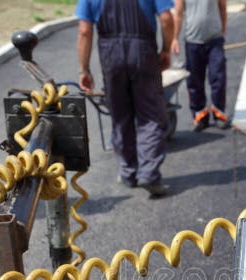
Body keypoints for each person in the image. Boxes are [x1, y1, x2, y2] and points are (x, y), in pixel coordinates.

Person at [76, 0, 175, 197]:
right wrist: (165, 50)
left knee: (120, 116)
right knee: (151, 116)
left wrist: (84, 69)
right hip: (144, 52)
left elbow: (85, 31)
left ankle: (129, 172)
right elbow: (166, 18)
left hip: (111, 55)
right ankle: (149, 174)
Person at [171, 0, 229, 131]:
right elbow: (178, 13)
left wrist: (222, 33)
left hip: (215, 39)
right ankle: (200, 115)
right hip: (193, 41)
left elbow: (223, 8)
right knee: (194, 81)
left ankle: (218, 113)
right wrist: (174, 38)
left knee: (218, 76)